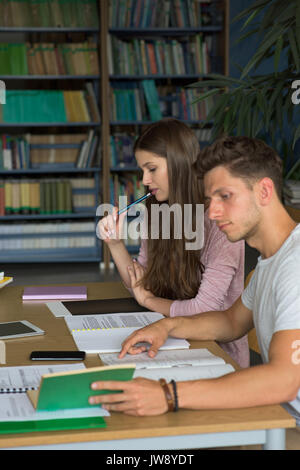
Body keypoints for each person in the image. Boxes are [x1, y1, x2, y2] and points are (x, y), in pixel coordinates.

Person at [90, 136, 300, 425]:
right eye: (210, 199)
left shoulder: (295, 265)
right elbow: (231, 322)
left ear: (264, 191)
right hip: (276, 418)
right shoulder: (271, 260)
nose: (212, 213)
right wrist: (167, 325)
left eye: (225, 196)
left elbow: (283, 381)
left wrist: (168, 395)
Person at [98, 119, 248, 368]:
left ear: (179, 165)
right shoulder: (158, 210)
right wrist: (115, 244)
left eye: (152, 169)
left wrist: (149, 302)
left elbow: (203, 311)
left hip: (217, 356)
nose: (145, 180)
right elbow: (141, 281)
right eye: (142, 170)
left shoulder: (221, 223)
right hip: (171, 342)